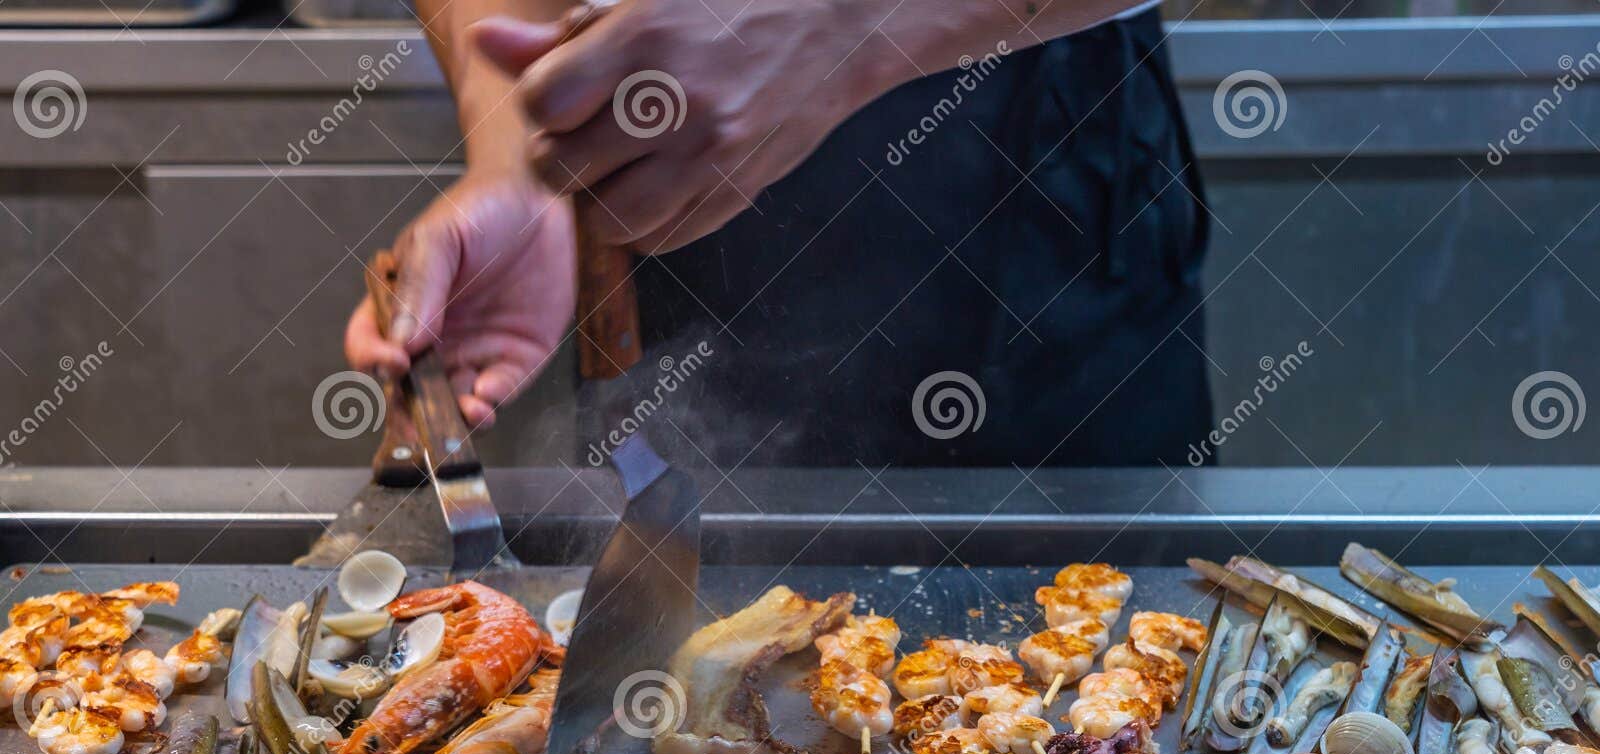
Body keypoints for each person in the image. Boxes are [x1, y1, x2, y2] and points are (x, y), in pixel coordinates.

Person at [346, 0, 1211, 468]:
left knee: (1114, 675)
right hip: (679, 175)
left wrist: (847, 20)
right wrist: (521, 153)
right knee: (665, 645)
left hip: (1032, 175)